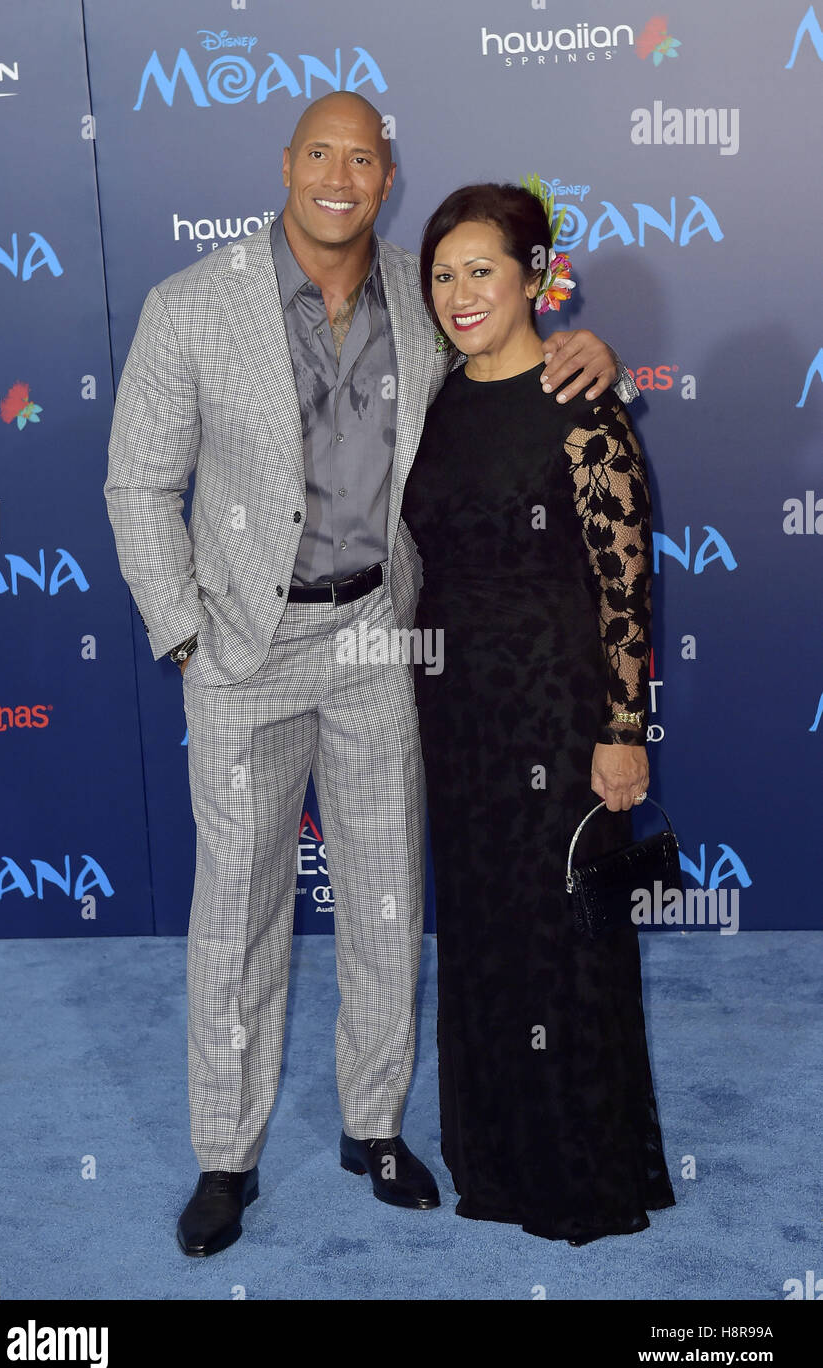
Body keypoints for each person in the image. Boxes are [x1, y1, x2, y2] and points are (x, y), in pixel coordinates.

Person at [105, 93, 635, 1258]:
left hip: (379, 645)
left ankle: (373, 1125)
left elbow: (510, 323)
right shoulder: (189, 305)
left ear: (386, 175)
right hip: (243, 648)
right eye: (319, 154)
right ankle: (224, 1157)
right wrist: (183, 633)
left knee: (386, 896)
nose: (339, 175)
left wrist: (586, 341)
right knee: (236, 911)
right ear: (285, 165)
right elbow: (136, 484)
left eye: (362, 157)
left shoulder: (419, 291)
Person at [402, 182, 676, 1244]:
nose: (461, 292)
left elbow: (624, 583)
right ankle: (497, 1158)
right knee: (480, 928)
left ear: (532, 276)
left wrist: (623, 730)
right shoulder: (430, 400)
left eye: (481, 269)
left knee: (568, 932)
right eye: (441, 273)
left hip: (560, 708)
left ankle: (578, 1168)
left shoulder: (582, 402)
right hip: (455, 709)